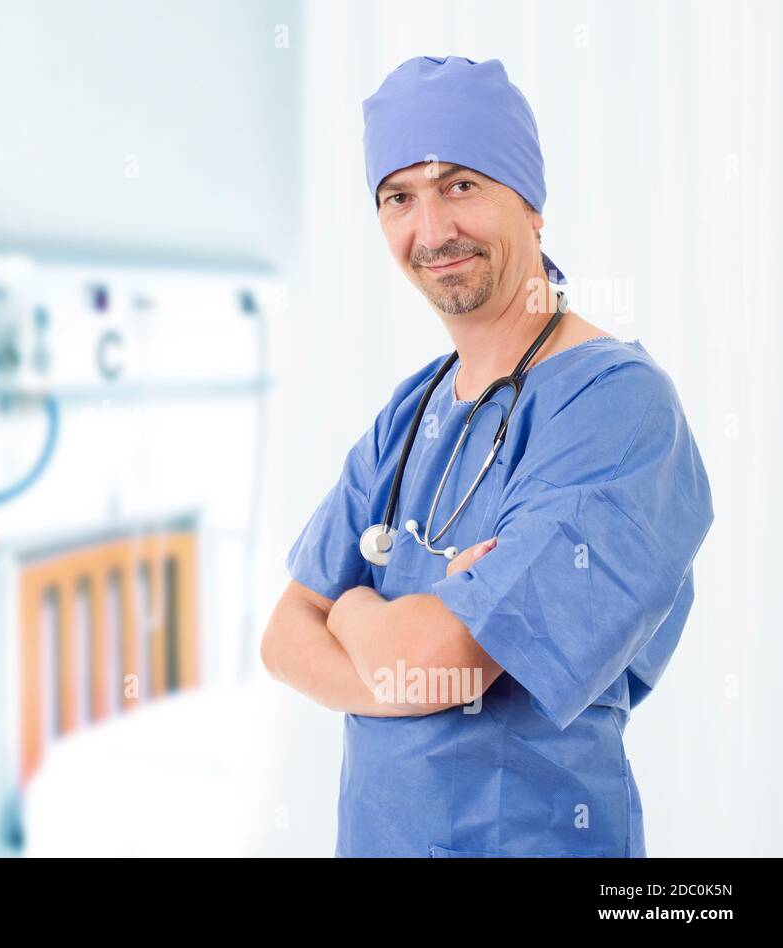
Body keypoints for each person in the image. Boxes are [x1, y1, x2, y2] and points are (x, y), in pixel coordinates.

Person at [260, 55, 714, 858]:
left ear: (531, 204)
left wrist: (356, 609)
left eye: (460, 185)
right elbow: (283, 638)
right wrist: (399, 630)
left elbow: (443, 664)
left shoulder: (616, 407)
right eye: (399, 197)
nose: (431, 231)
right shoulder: (412, 412)